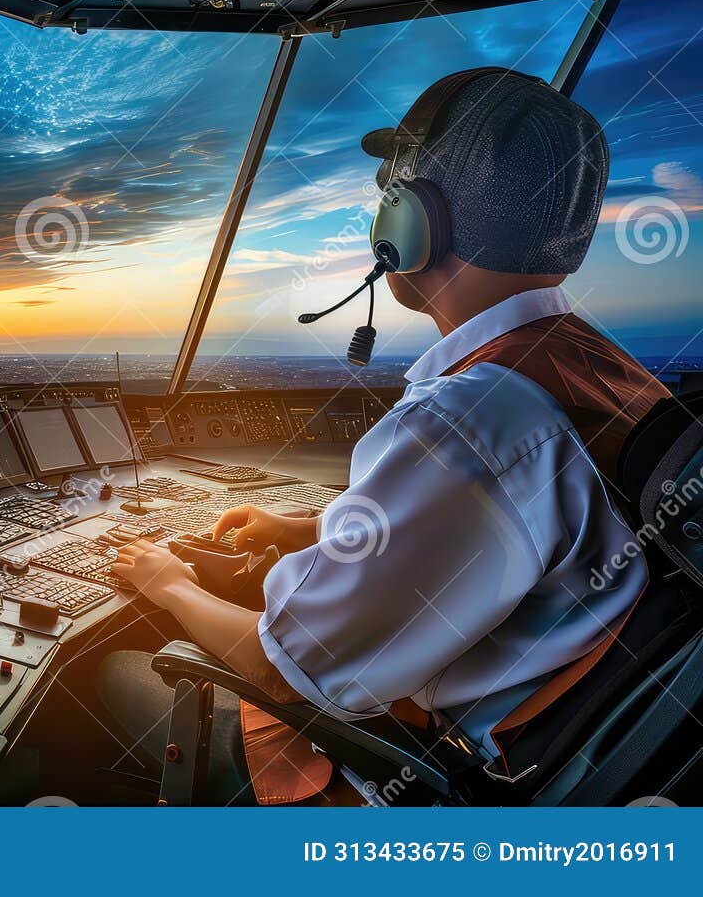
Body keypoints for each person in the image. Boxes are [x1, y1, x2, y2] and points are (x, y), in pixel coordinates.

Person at [96, 67, 673, 805]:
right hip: (550, 742)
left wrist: (165, 581)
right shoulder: (590, 361)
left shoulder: (469, 421)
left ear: (413, 221)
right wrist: (307, 527)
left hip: (433, 771)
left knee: (114, 669)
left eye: (388, 191)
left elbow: (283, 669)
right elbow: (494, 540)